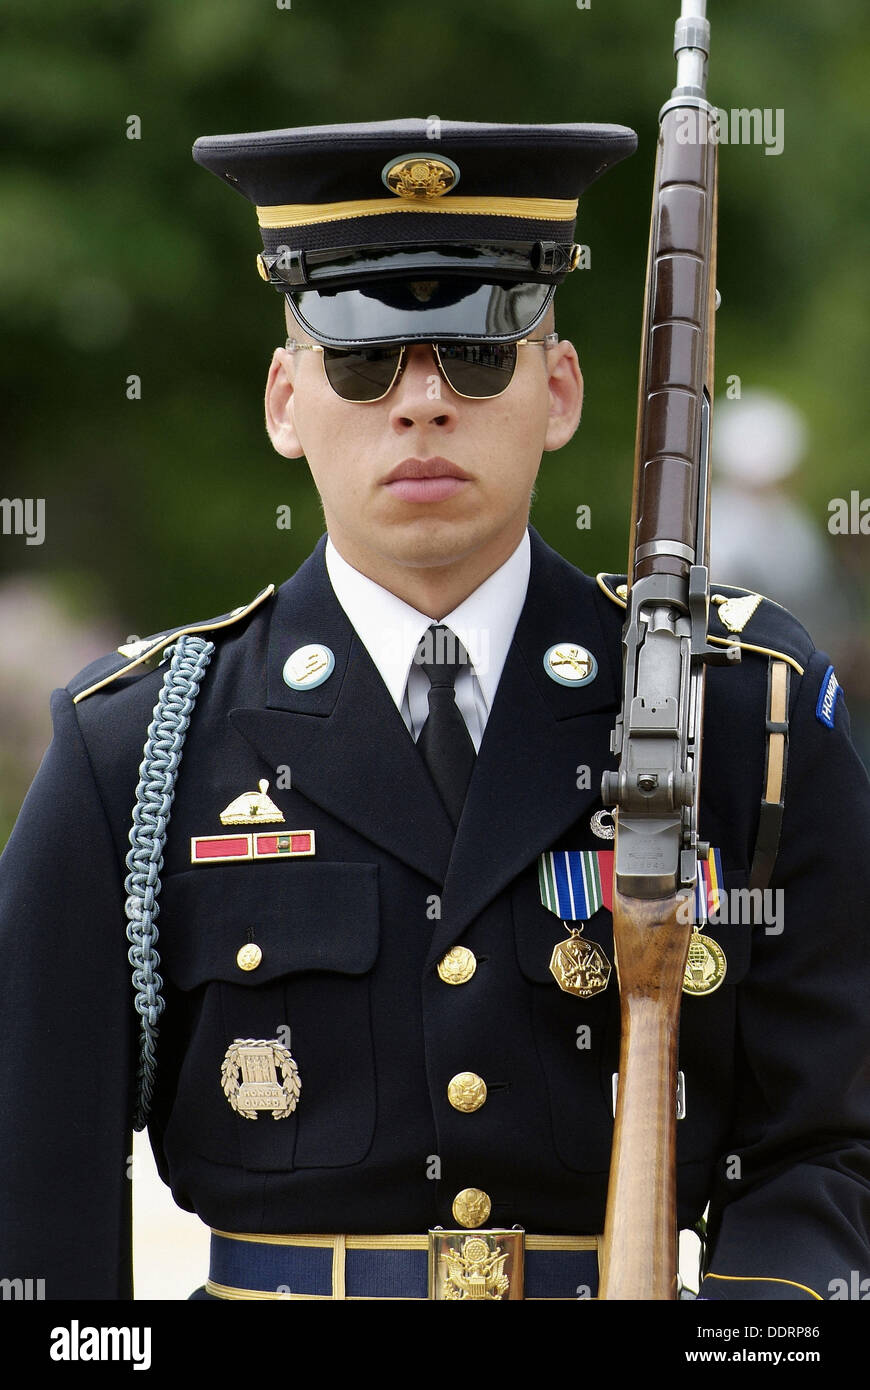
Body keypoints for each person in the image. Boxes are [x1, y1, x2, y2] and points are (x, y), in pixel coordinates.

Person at [1, 118, 868, 1303]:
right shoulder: (141, 747)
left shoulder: (737, 711)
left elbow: (833, 1141)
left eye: (475, 354)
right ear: (286, 401)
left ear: (557, 390)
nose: (421, 402)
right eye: (362, 360)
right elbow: (34, 1203)